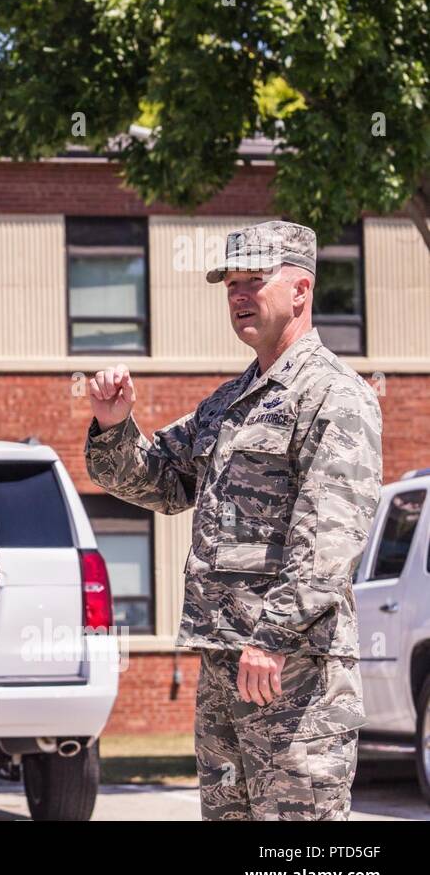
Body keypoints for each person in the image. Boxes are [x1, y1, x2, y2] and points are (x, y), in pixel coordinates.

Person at [85, 220, 383, 820]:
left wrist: (272, 638)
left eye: (254, 280)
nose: (240, 295)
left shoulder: (333, 395)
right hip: (226, 664)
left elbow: (329, 538)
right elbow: (160, 482)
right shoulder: (228, 403)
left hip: (292, 671)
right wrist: (114, 426)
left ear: (300, 289)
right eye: (231, 284)